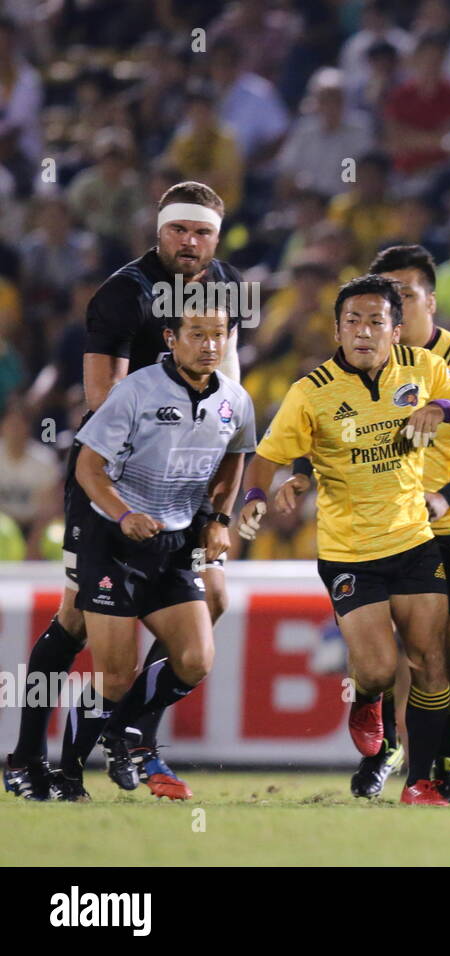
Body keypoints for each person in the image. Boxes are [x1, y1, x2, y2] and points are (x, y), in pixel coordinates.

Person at [4, 181, 246, 802]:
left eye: (202, 233)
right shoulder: (122, 296)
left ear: (216, 238)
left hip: (185, 482)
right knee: (76, 619)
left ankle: (132, 731)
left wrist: (210, 496)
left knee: (210, 603)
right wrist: (135, 492)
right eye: (178, 231)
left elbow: (230, 385)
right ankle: (30, 755)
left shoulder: (226, 286)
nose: (190, 244)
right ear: (158, 231)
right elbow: (100, 404)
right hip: (111, 479)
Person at [237, 275, 450, 806]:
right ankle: (368, 698)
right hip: (349, 551)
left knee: (430, 661)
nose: (363, 331)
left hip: (415, 540)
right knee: (377, 668)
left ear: (397, 331)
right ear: (336, 328)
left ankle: (420, 782)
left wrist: (441, 409)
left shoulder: (421, 370)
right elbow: (267, 455)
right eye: (352, 321)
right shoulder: (312, 391)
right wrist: (258, 495)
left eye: (376, 321)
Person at [56, 304, 253, 800]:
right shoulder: (136, 390)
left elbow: (235, 460)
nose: (210, 344)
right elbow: (88, 468)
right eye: (198, 334)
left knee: (195, 658)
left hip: (172, 544)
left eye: (219, 335)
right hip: (114, 543)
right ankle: (69, 773)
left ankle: (125, 732)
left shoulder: (236, 400)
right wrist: (124, 514)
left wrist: (220, 519)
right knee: (117, 674)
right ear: (171, 337)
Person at [331, 243, 450, 802]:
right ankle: (391, 752)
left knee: (449, 654)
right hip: (383, 529)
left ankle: (445, 762)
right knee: (395, 656)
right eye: (386, 296)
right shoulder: (366, 358)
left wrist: (447, 495)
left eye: (404, 294)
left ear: (430, 300)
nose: (393, 306)